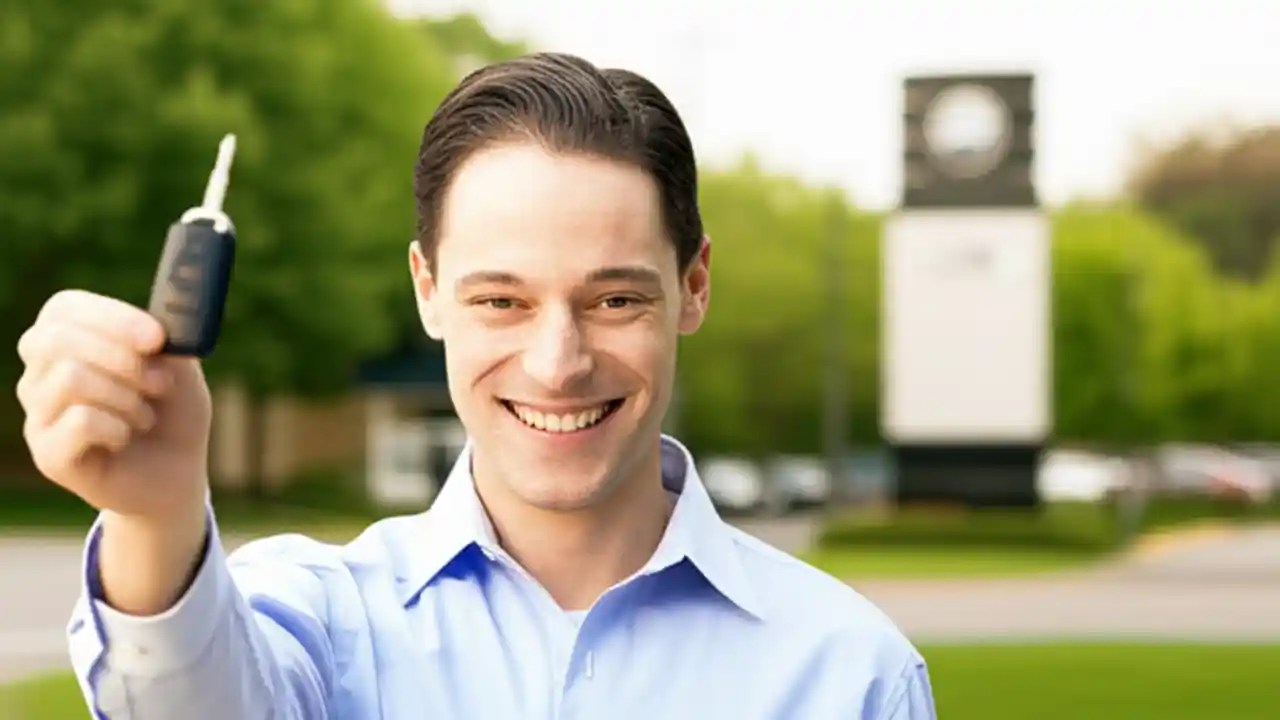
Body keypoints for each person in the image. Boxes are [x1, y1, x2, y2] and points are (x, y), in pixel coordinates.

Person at [16, 52, 936, 719]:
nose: (557, 360)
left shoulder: (850, 674)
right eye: (501, 300)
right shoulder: (317, 624)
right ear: (428, 291)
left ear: (694, 287)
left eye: (614, 298)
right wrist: (157, 510)